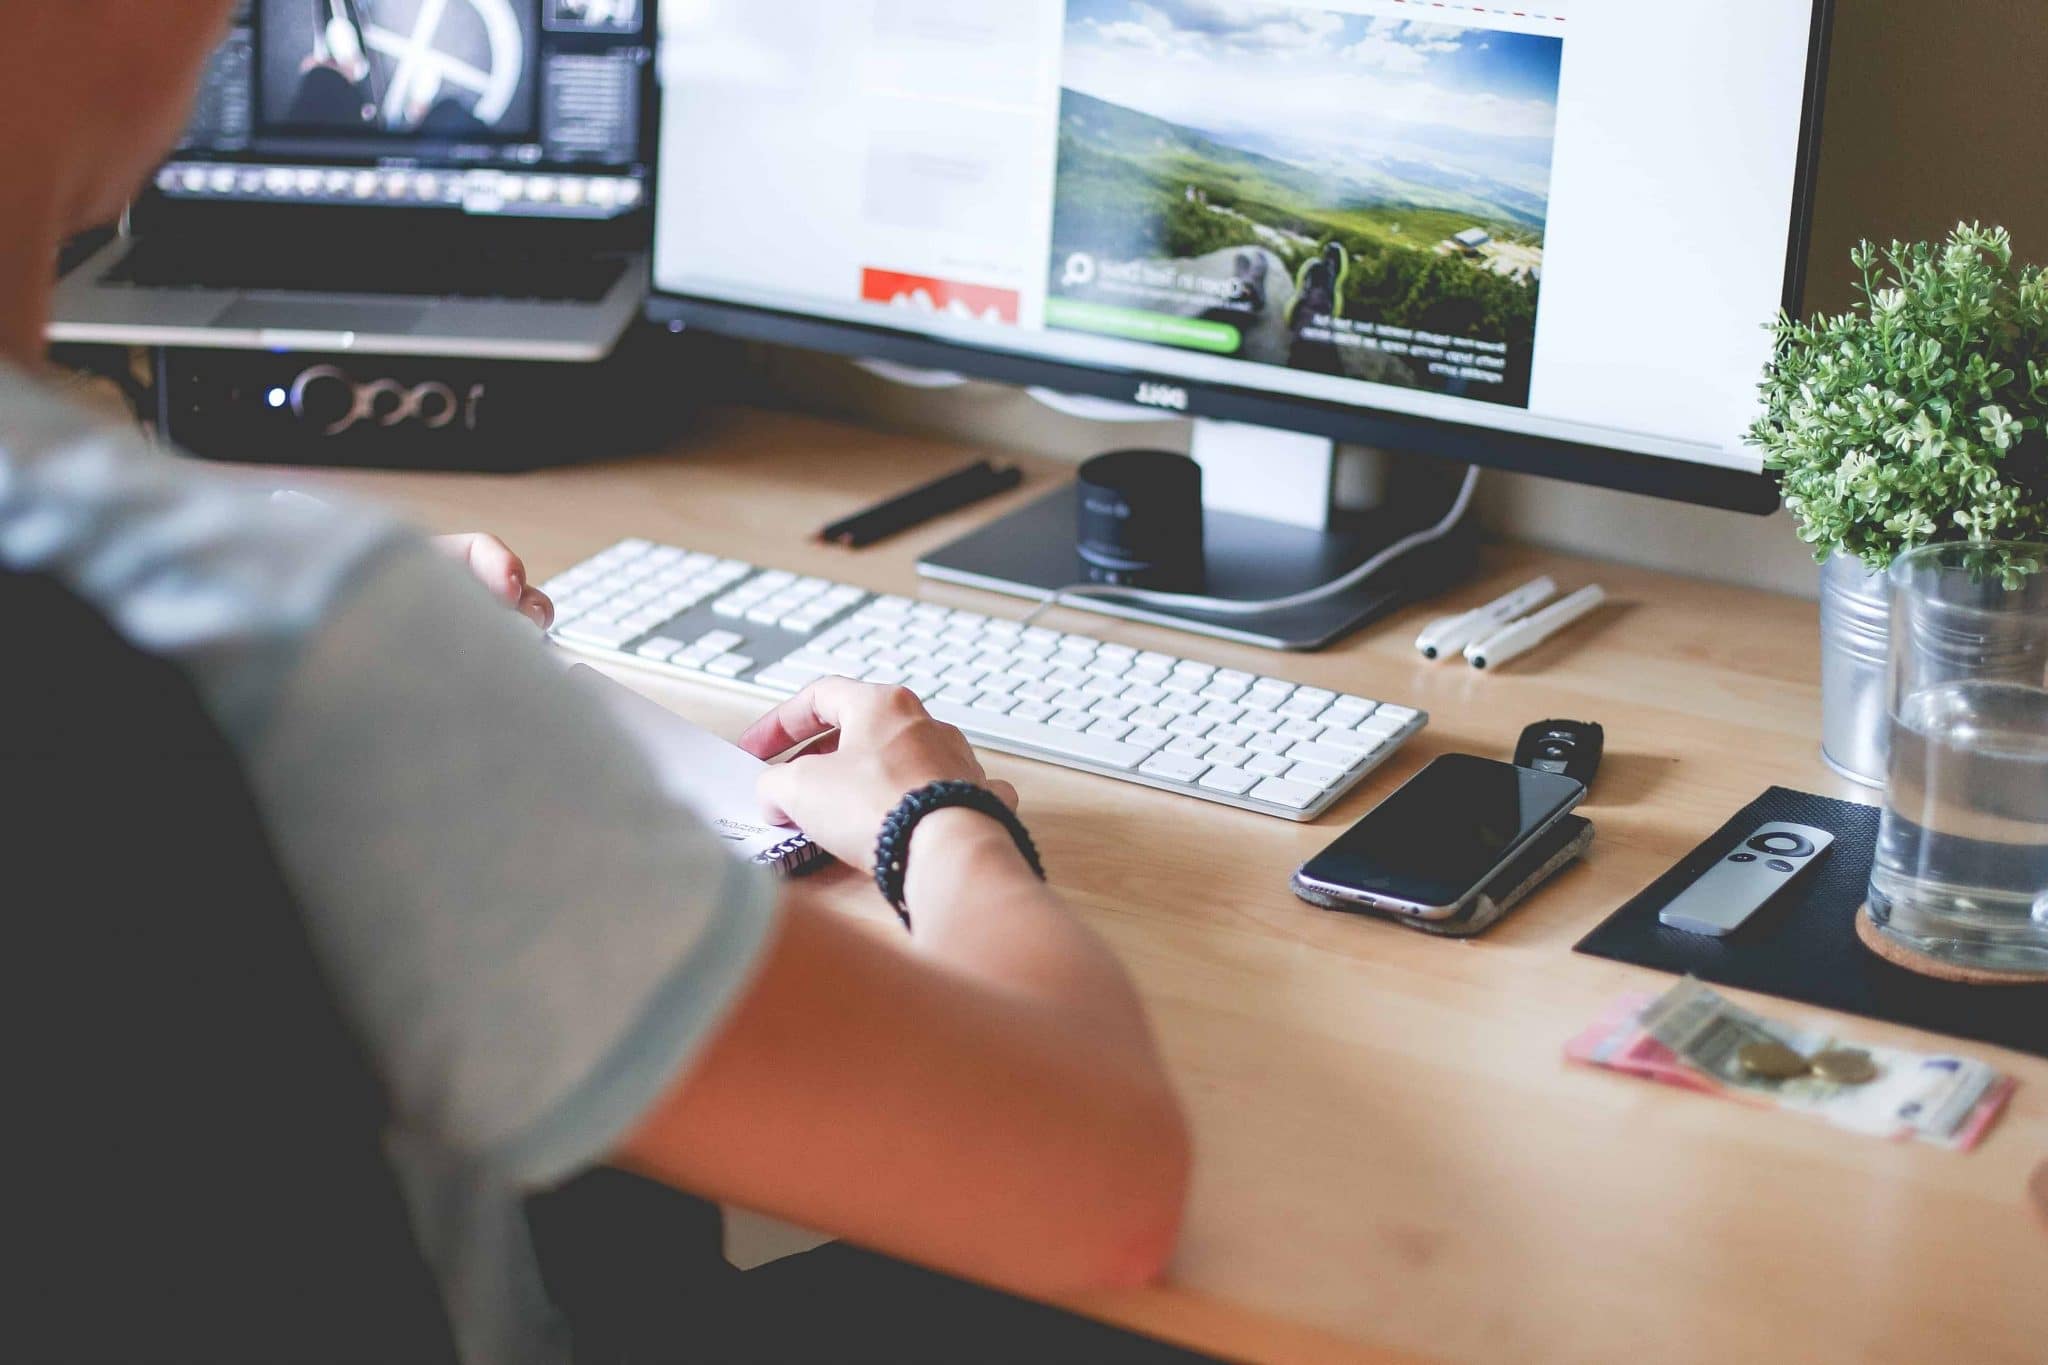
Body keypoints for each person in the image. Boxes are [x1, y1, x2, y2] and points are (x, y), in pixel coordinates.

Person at [0, 6, 1191, 1364]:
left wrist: (377, 650)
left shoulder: (226, 610)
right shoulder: (288, 635)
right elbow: (1098, 1187)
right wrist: (941, 817)